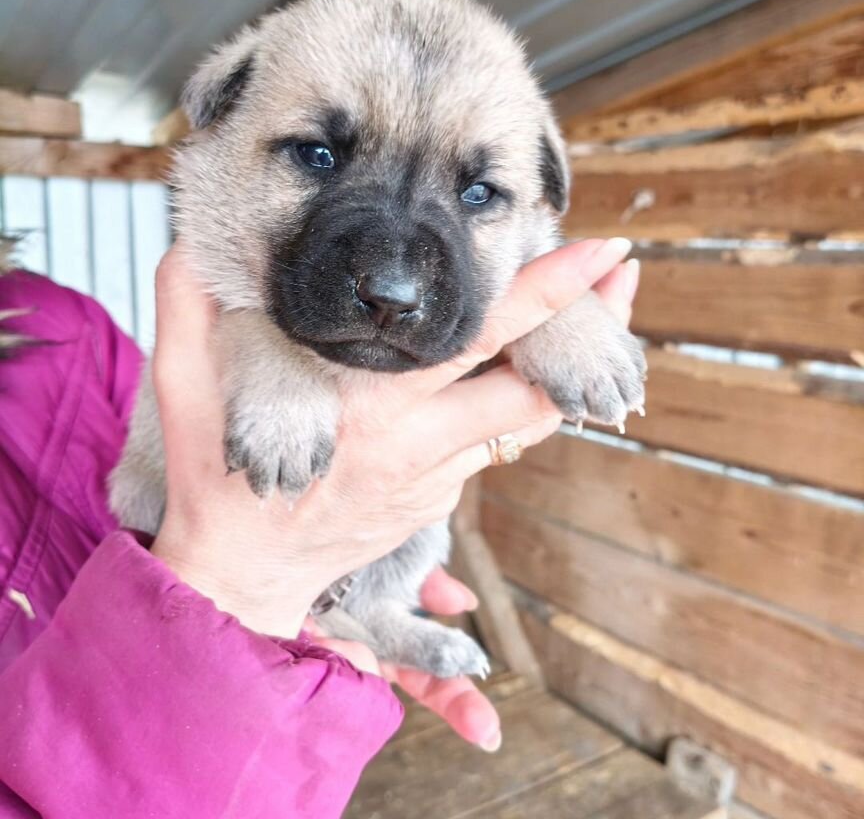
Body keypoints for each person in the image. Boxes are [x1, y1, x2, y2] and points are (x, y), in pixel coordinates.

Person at [0, 236, 638, 817]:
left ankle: (380, 613)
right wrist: (252, 577)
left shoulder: (48, 315)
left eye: (476, 191)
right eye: (319, 156)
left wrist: (352, 531)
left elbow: (162, 439)